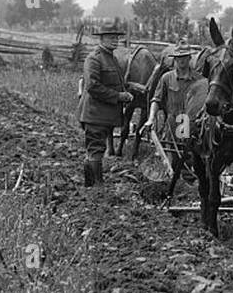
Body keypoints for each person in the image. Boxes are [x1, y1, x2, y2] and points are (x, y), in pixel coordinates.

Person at [78, 19, 133, 187]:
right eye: (110, 37)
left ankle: (92, 187)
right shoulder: (94, 59)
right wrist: (119, 96)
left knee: (96, 150)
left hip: (104, 115)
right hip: (95, 114)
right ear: (101, 39)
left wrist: (130, 87)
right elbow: (93, 86)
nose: (115, 40)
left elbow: (113, 82)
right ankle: (96, 188)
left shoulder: (111, 58)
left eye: (116, 37)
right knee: (95, 150)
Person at [143, 39, 207, 162]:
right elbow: (156, 100)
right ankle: (177, 178)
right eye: (178, 57)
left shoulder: (200, 80)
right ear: (174, 59)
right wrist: (151, 119)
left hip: (191, 123)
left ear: (189, 58)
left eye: (184, 57)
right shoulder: (167, 78)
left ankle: (189, 178)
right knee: (175, 157)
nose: (181, 60)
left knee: (192, 157)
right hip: (174, 121)